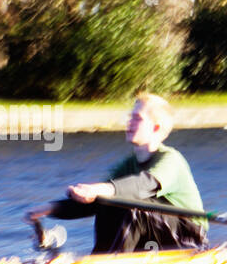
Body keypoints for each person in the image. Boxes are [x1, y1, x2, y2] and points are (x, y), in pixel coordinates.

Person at [25, 92, 207, 254]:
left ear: (156, 128)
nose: (129, 122)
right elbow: (97, 203)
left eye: (137, 118)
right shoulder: (128, 165)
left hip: (187, 238)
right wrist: (51, 208)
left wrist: (101, 188)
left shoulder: (171, 159)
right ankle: (101, 260)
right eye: (130, 118)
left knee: (129, 202)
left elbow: (144, 185)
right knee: (109, 200)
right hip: (155, 230)